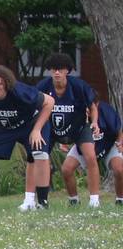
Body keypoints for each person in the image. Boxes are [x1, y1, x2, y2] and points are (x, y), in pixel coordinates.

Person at [0, 64, 54, 212]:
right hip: (2, 127)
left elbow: (49, 101)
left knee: (40, 154)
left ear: (6, 83)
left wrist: (37, 129)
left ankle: (42, 203)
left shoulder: (20, 92)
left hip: (31, 124)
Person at [33, 52, 101, 208]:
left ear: (67, 71)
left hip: (78, 127)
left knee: (91, 156)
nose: (57, 72)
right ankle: (52, 200)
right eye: (54, 69)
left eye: (61, 69)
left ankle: (94, 200)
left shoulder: (78, 86)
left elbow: (92, 106)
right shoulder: (43, 86)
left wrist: (95, 123)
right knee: (39, 157)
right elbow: (33, 107)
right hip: (51, 129)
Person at [61, 99, 123, 206]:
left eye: (90, 106)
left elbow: (118, 130)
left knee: (119, 169)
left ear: (96, 104)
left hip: (108, 145)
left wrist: (120, 143)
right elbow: (68, 131)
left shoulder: (106, 111)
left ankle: (120, 199)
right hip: (84, 146)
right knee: (66, 169)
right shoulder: (76, 112)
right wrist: (65, 142)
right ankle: (73, 200)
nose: (87, 109)